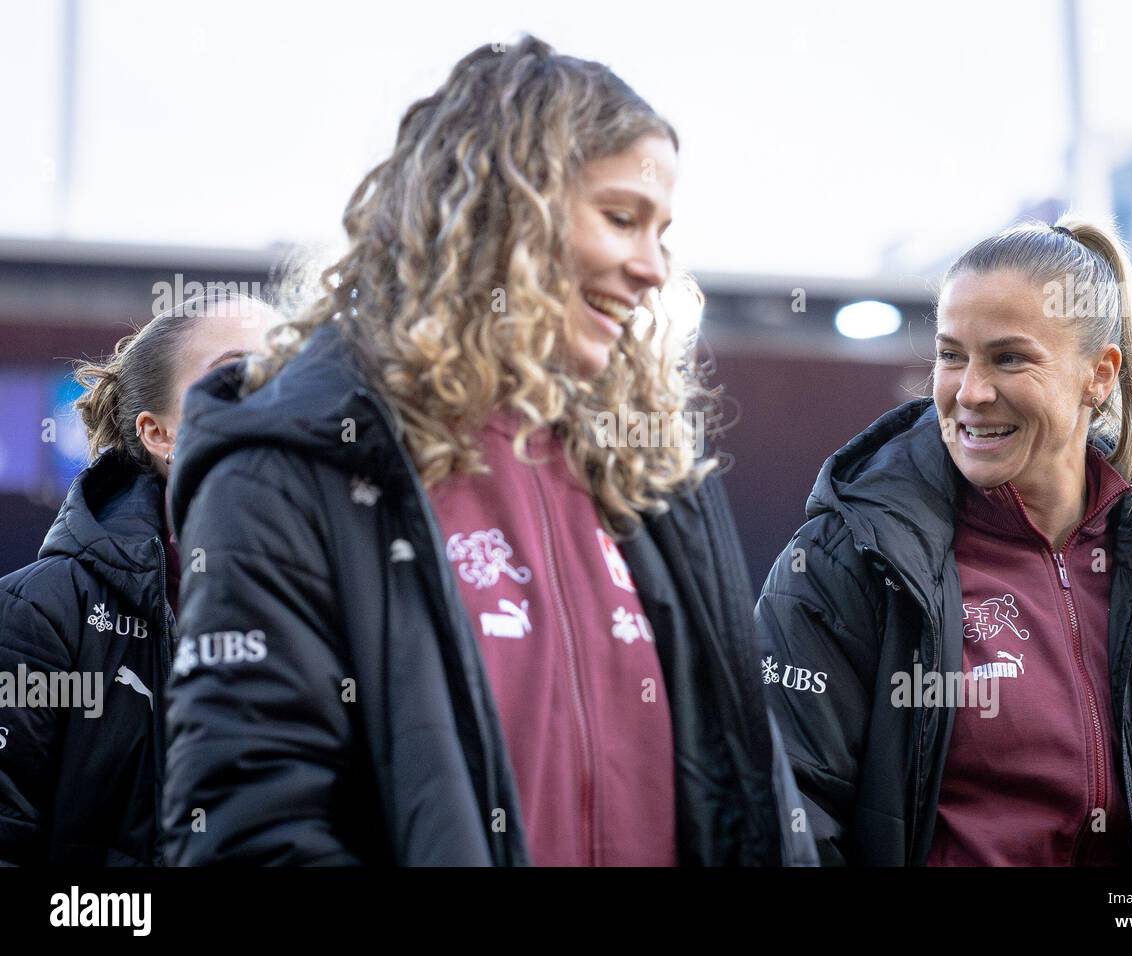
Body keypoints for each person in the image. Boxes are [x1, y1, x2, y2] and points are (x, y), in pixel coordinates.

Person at [162, 36, 815, 866]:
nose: (654, 268)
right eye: (620, 219)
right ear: (504, 211)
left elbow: (752, 799)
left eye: (663, 232)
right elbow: (249, 833)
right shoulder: (296, 469)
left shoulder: (650, 480)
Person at [755, 217, 1132, 866]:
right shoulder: (846, 564)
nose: (970, 392)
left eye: (1009, 358)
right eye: (951, 355)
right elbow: (786, 827)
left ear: (1099, 375)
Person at [0, 290, 276, 864]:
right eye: (239, 374)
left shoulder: (350, 601)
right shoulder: (41, 612)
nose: (273, 393)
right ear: (159, 433)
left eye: (289, 371)